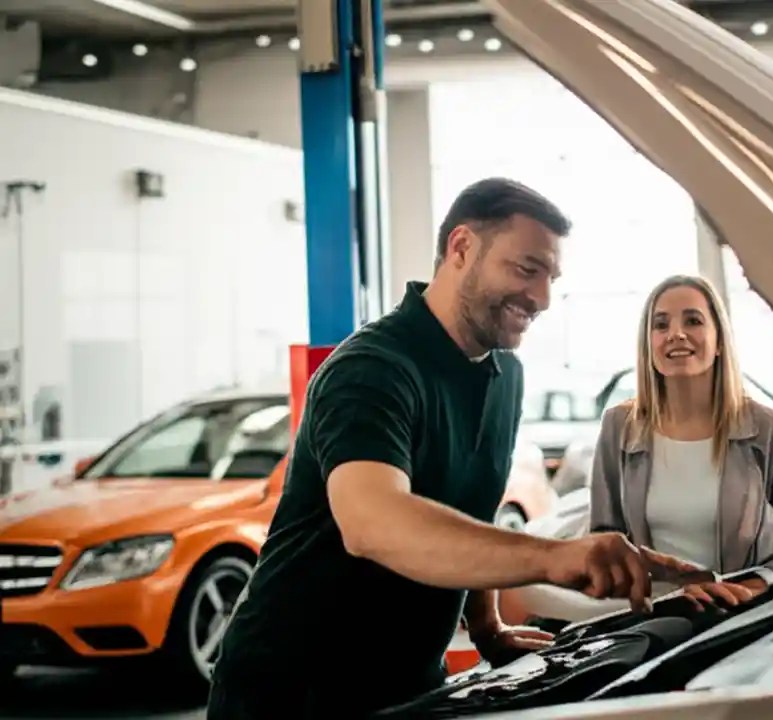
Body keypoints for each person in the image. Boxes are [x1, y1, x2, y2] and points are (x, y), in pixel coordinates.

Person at [207, 178, 701, 719]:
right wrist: (554, 558)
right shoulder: (371, 369)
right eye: (527, 269)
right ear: (461, 247)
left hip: (410, 682)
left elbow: (472, 508)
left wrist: (487, 627)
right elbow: (373, 523)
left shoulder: (505, 375)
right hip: (292, 691)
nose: (541, 298)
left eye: (551, 278)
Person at [590, 274, 773, 611]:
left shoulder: (768, 428)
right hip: (655, 619)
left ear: (720, 340)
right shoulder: (618, 427)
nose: (676, 334)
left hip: (742, 617)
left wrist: (755, 585)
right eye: (661, 324)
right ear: (648, 344)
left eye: (693, 321)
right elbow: (604, 543)